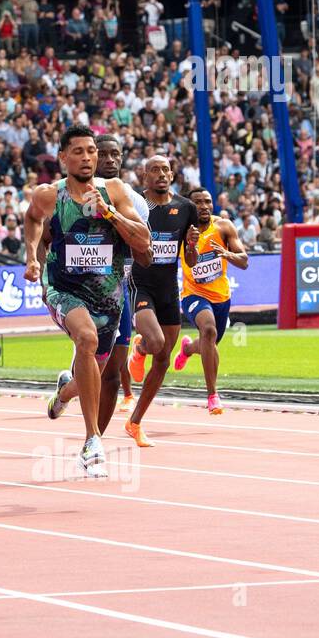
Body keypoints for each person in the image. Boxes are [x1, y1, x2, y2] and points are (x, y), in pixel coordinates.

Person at [24, 126, 150, 477]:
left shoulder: (116, 192)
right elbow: (33, 218)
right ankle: (92, 440)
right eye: (77, 151)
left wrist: (108, 213)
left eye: (91, 151)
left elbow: (143, 240)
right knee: (87, 339)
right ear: (63, 157)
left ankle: (64, 393)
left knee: (94, 367)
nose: (87, 157)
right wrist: (31, 256)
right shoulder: (51, 195)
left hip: (109, 296)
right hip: (63, 288)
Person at [126, 155, 198, 445]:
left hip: (169, 287)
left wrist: (191, 247)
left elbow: (190, 260)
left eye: (165, 170)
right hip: (139, 283)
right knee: (155, 344)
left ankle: (135, 422)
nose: (161, 174)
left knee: (164, 358)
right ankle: (140, 348)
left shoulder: (186, 208)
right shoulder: (135, 205)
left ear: (172, 174)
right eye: (154, 170)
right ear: (145, 177)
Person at [173, 187, 249, 414]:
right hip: (193, 294)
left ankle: (187, 349)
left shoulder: (224, 227)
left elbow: (244, 261)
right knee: (208, 330)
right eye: (198, 202)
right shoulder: (181, 231)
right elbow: (191, 261)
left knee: (209, 342)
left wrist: (228, 255)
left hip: (221, 297)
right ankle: (212, 395)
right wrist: (192, 244)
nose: (204, 206)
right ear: (189, 206)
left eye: (207, 202)